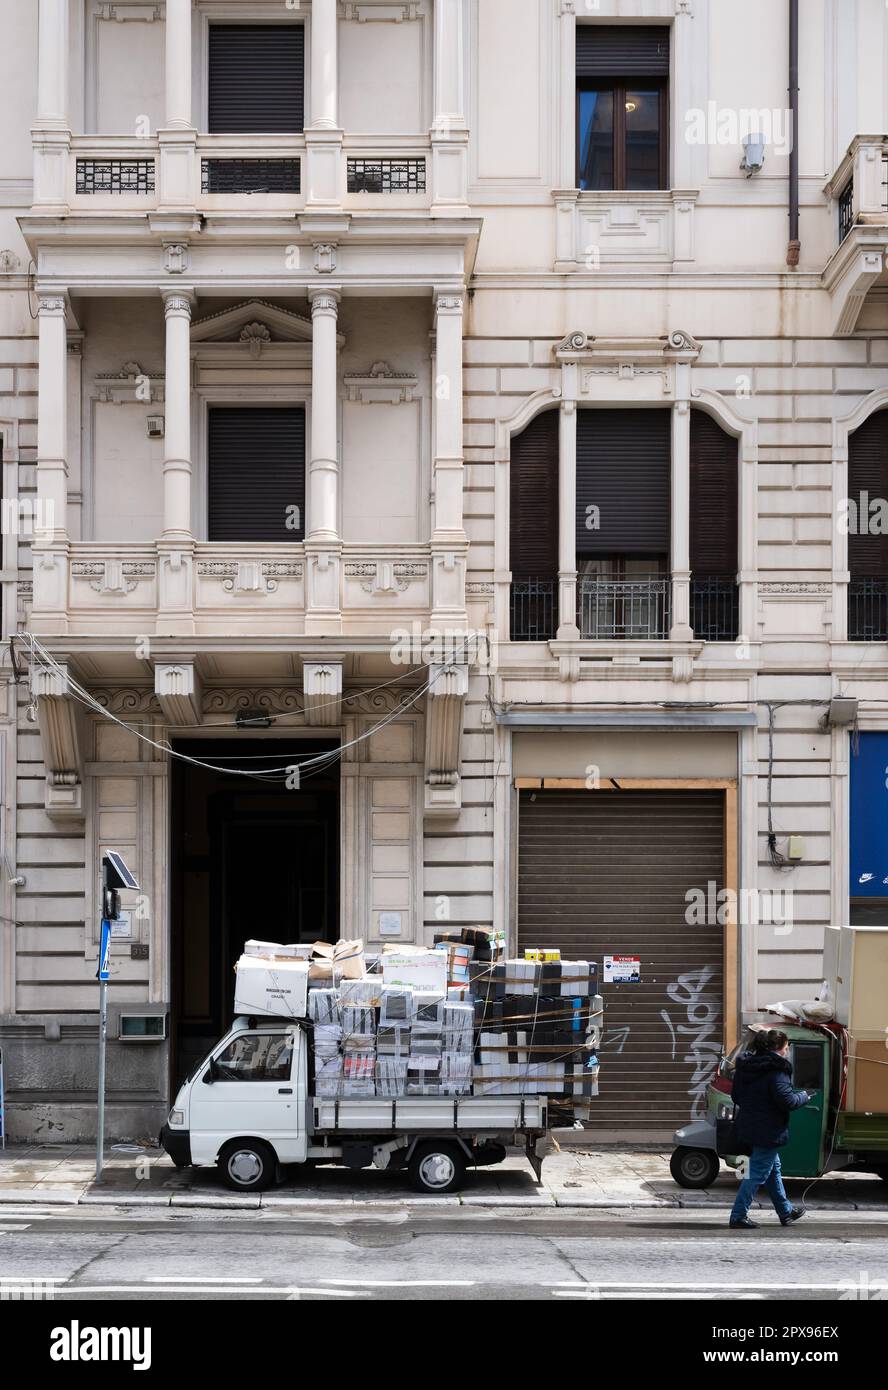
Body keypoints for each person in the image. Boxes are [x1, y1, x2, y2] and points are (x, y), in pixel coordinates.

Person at [728, 1028, 815, 1229]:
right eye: (785, 1047)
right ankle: (738, 1215)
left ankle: (785, 1212)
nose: (787, 1050)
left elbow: (736, 1097)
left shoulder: (746, 1066)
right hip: (768, 1129)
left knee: (773, 1168)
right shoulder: (777, 1069)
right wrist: (804, 1096)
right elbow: (787, 1100)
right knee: (756, 1173)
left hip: (750, 1125)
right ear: (777, 1048)